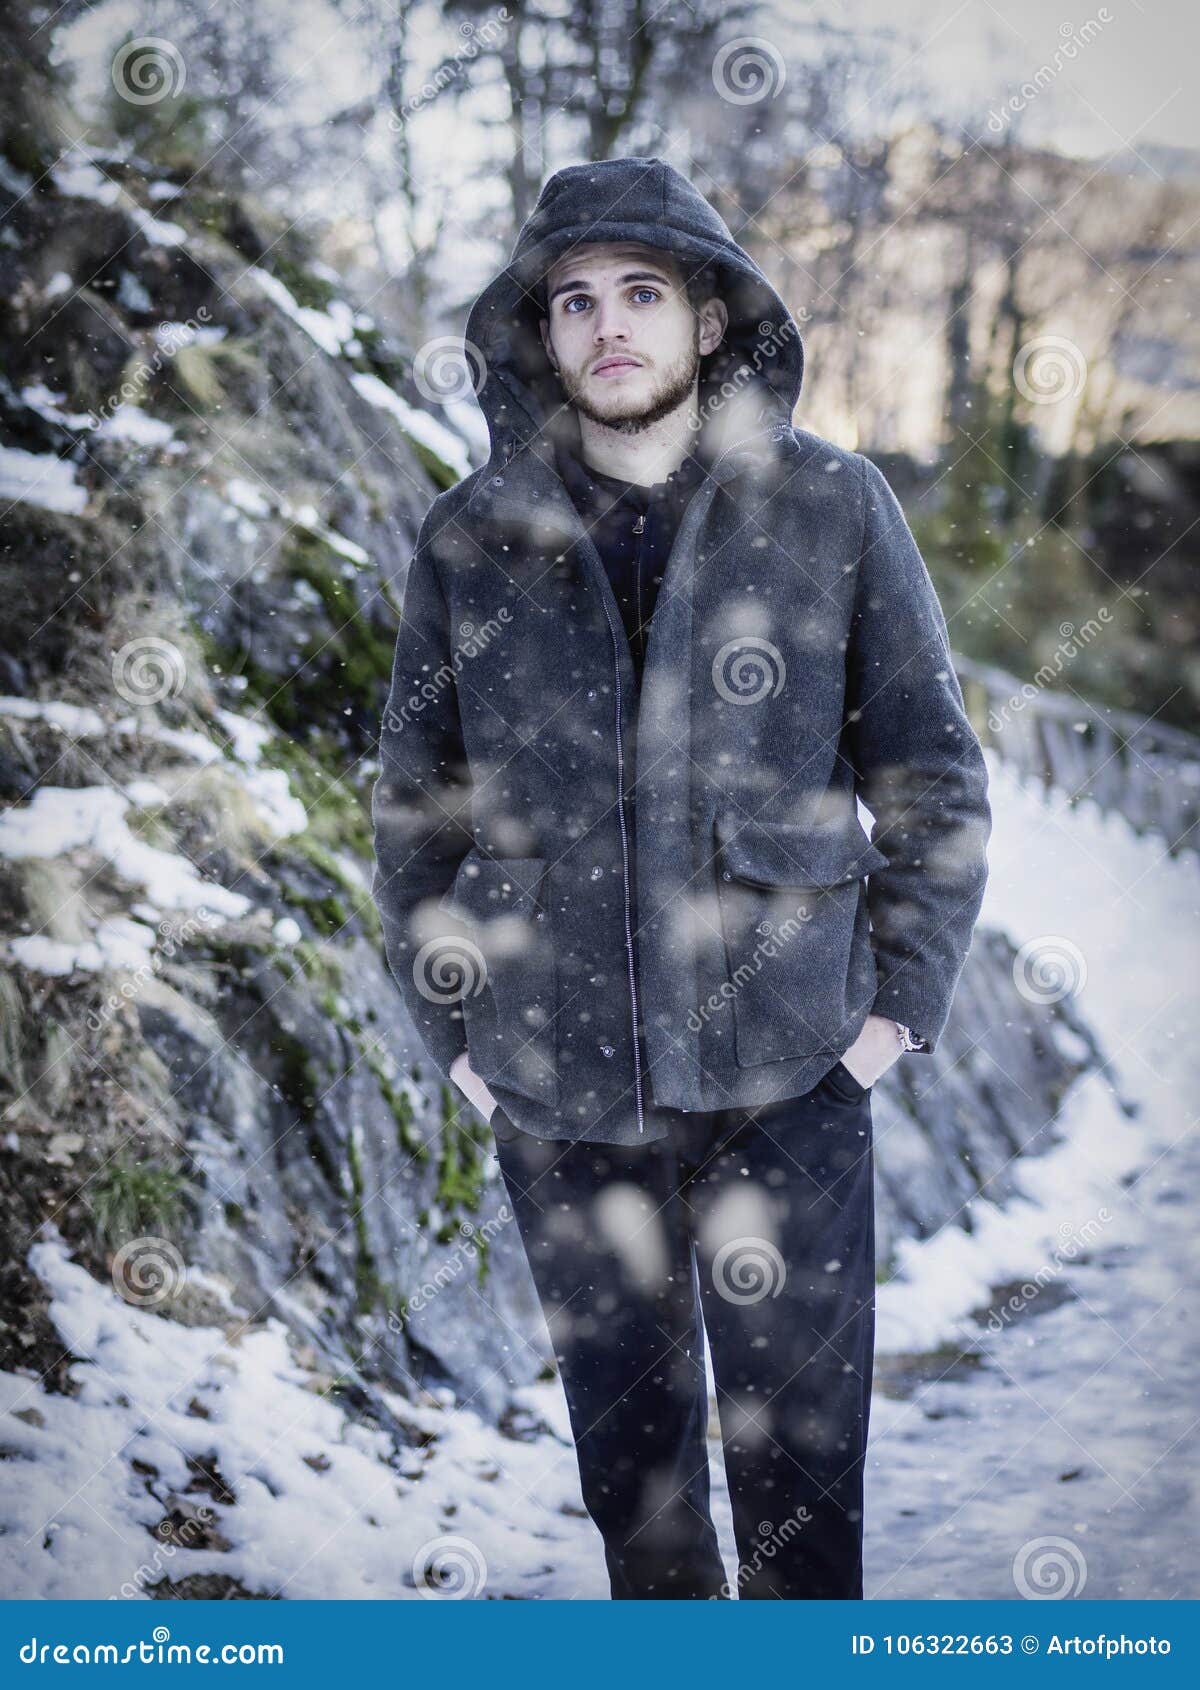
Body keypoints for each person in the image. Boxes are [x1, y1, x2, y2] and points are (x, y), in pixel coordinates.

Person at [371, 155, 991, 1598]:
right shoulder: (473, 537)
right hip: (565, 1099)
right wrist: (456, 1034)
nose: (608, 326)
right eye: (575, 299)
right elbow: (415, 817)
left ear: (711, 319)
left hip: (792, 1084)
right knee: (638, 1507)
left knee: (803, 1504)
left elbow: (932, 773)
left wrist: (889, 1018)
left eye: (643, 291)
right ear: (541, 328)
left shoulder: (833, 507)